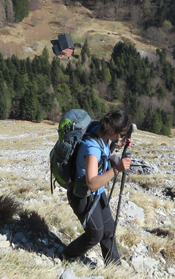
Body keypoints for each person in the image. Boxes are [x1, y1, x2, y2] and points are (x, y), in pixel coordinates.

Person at [61, 108, 132, 266]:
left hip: (97, 193)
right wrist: (116, 169)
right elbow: (92, 183)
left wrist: (119, 143)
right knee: (95, 234)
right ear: (112, 130)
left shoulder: (99, 129)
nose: (121, 137)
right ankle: (67, 256)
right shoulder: (91, 148)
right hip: (82, 196)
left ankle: (114, 268)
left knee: (108, 230)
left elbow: (106, 145)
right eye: (120, 134)